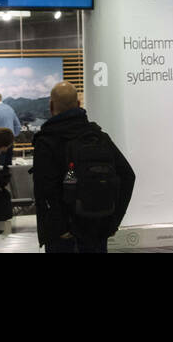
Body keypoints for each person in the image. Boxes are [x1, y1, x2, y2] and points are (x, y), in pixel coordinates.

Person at [32, 81, 135, 254]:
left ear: (51, 106)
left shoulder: (46, 141)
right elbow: (128, 176)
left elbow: (44, 189)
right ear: (79, 104)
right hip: (97, 227)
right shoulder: (99, 137)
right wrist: (114, 220)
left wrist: (59, 227)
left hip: (63, 236)